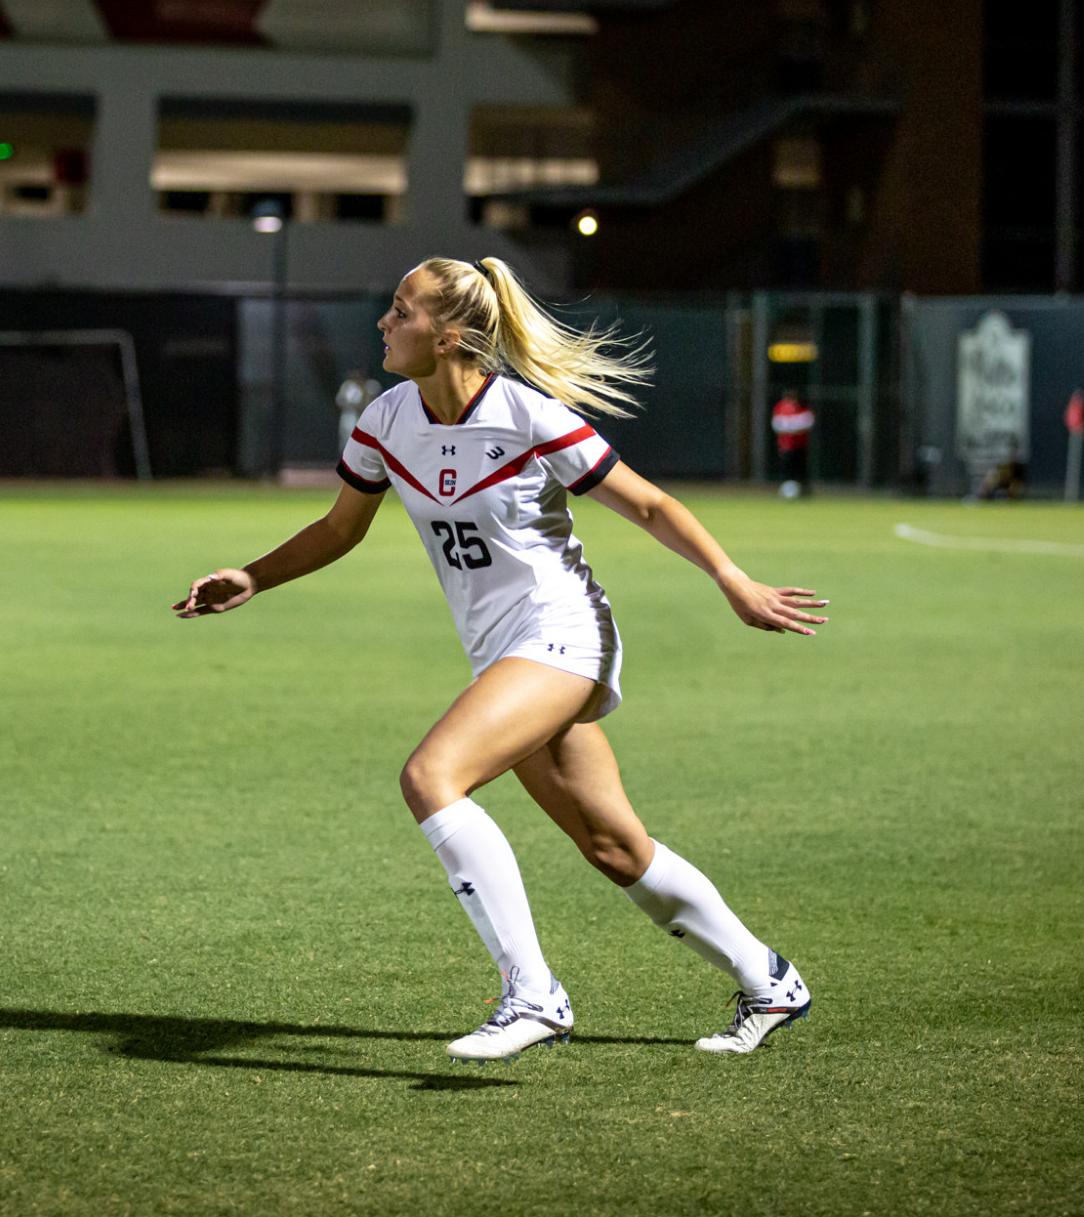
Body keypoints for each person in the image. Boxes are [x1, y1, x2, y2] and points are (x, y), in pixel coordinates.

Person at [174, 257, 828, 1062]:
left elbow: (649, 502)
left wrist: (732, 578)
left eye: (401, 310)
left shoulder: (526, 416)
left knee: (431, 776)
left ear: (449, 336)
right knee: (616, 847)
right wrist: (254, 575)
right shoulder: (385, 419)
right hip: (504, 654)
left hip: (563, 632)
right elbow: (341, 527)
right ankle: (769, 980)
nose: (384, 321)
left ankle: (534, 995)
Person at [771, 389, 813, 498]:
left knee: (801, 471)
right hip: (786, 446)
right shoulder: (781, 407)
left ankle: (804, 492)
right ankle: (786, 493)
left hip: (800, 446)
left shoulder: (802, 408)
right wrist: (793, 426)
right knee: (787, 471)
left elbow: (807, 423)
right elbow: (777, 424)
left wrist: (791, 427)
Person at [334, 369, 382, 457]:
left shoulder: (371, 386)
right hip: (350, 415)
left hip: (366, 415)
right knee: (347, 437)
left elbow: (370, 402)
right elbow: (340, 401)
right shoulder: (348, 386)